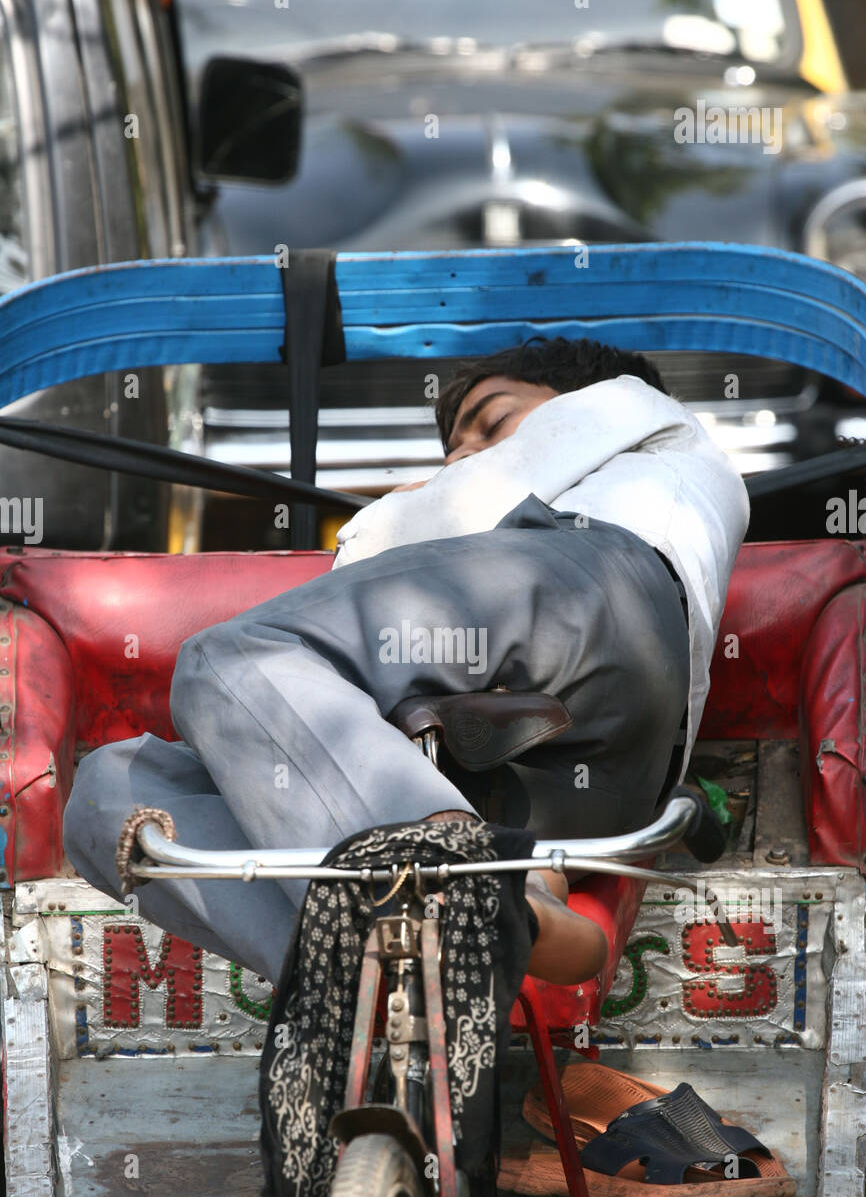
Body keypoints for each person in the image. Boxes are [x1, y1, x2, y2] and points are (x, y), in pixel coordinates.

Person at [63, 337, 749, 989]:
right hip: (528, 797)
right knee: (110, 792)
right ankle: (434, 948)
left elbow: (392, 532)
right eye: (456, 445)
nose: (463, 457)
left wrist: (398, 515)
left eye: (492, 422)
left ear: (580, 397)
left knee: (227, 658)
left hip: (595, 606)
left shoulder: (632, 411)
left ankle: (472, 888)